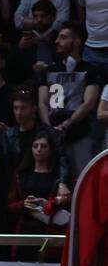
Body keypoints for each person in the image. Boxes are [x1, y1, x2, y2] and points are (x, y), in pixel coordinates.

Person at [40, 22, 103, 179]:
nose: (57, 41)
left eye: (63, 37)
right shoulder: (48, 71)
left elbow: (89, 103)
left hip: (80, 133)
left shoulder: (91, 70)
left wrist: (66, 125)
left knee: (83, 176)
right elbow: (42, 102)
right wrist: (49, 128)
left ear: (76, 41)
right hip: (52, 134)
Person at [9, 133, 71, 235]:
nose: (39, 149)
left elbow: (67, 204)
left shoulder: (59, 178)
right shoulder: (21, 175)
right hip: (24, 229)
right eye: (35, 146)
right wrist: (23, 204)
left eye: (44, 146)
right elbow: (10, 205)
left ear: (51, 150)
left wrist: (48, 203)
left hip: (51, 229)